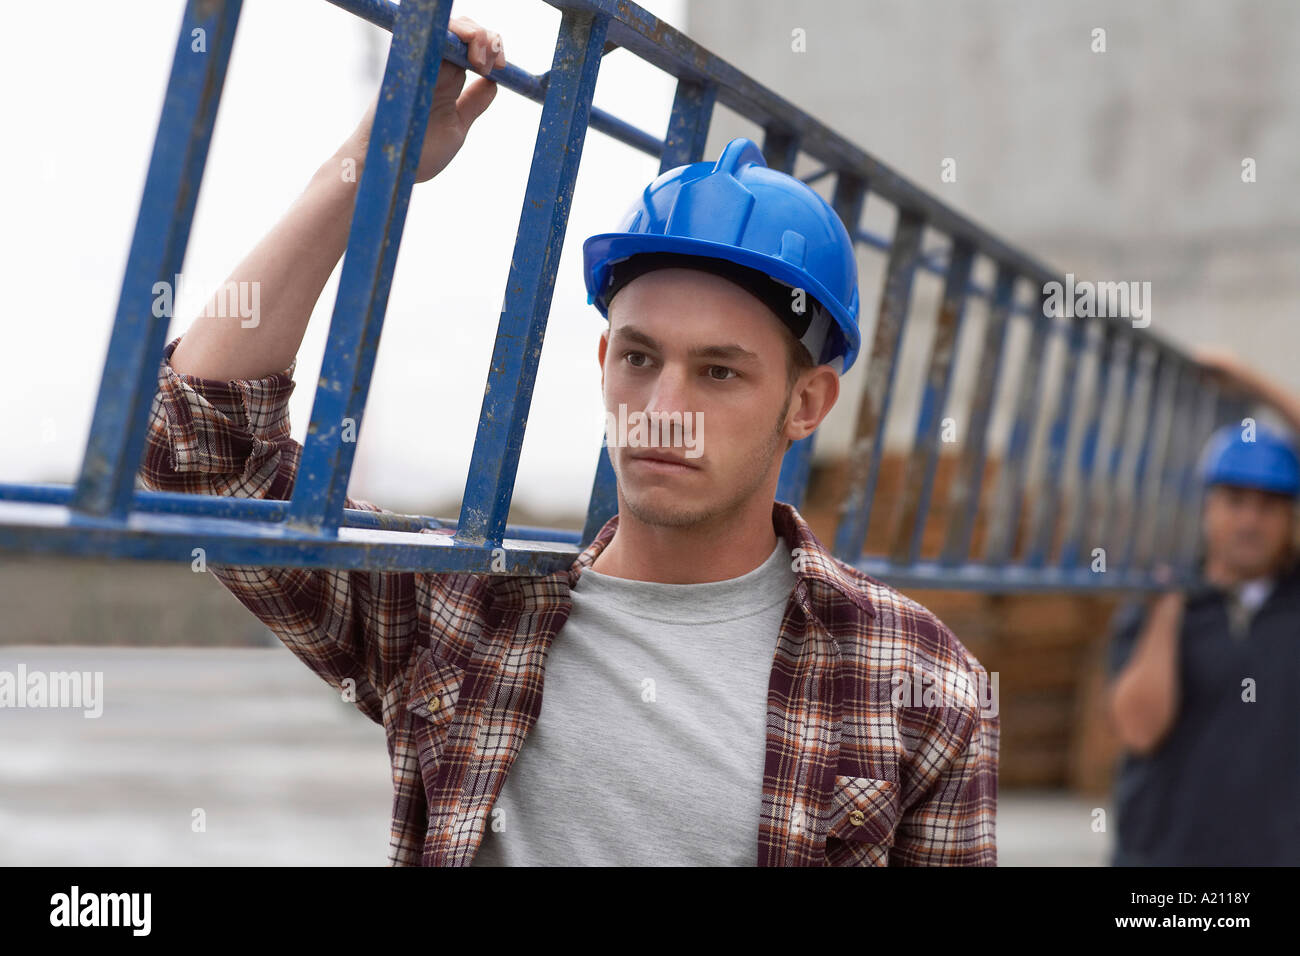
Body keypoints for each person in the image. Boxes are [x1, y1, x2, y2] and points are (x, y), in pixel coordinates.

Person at [137, 15, 997, 866]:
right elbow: (205, 450)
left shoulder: (914, 681)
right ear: (603, 359)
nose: (663, 405)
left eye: (719, 372)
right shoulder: (462, 615)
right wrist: (375, 158)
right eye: (639, 356)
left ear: (807, 402)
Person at [1104, 349, 1300, 865]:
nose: (1251, 521)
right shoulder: (1161, 602)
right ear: (1208, 506)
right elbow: (1139, 730)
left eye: (1269, 506)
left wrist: (1253, 383)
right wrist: (1168, 613)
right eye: (1235, 501)